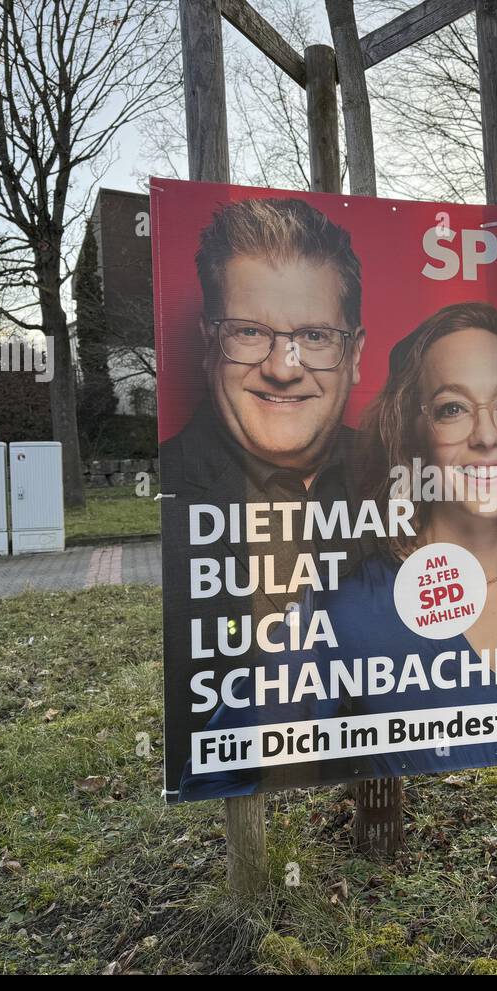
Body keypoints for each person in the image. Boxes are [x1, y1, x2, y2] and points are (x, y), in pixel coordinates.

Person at [194, 301, 497, 787]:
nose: (486, 436)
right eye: (451, 408)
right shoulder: (344, 610)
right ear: (410, 429)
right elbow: (219, 764)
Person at [164, 196, 369, 800]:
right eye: (249, 332)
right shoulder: (175, 489)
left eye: (314, 335)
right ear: (209, 342)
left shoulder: (407, 479)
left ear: (354, 354)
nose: (284, 366)